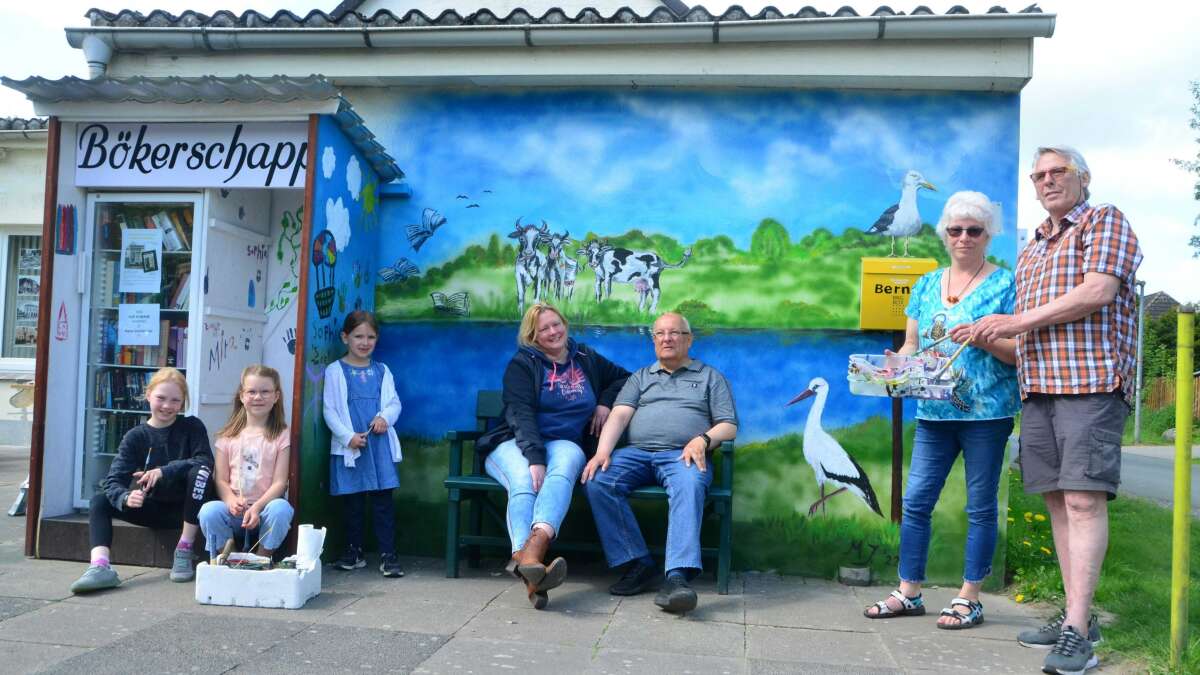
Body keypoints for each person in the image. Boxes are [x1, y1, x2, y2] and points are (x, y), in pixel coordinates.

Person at [962, 146, 1141, 675]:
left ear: (1083, 178)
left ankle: (1079, 635)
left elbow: (1098, 291)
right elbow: (1028, 331)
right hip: (1038, 388)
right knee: (1060, 504)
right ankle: (1076, 619)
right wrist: (986, 333)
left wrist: (1015, 321)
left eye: (1057, 172)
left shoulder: (1104, 220)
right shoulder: (1032, 248)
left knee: (1085, 502)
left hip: (1090, 385)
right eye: (1038, 175)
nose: (1046, 181)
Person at [862, 191, 1019, 629]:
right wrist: (896, 363)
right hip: (934, 413)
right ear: (944, 235)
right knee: (915, 502)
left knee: (980, 507)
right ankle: (908, 591)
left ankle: (970, 596)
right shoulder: (927, 283)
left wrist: (988, 339)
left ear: (989, 235)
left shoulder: (1007, 284)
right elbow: (912, 344)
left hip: (987, 413)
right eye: (955, 230)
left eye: (974, 230)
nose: (964, 237)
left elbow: (1020, 353)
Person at [581, 312, 737, 614]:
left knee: (689, 485)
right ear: (654, 340)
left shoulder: (709, 377)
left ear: (688, 340)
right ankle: (637, 562)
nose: (667, 338)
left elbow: (728, 425)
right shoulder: (640, 377)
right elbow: (620, 415)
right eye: (660, 334)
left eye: (675, 333)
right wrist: (602, 452)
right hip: (637, 453)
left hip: (683, 454)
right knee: (597, 479)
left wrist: (702, 440)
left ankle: (677, 577)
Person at [477, 302, 630, 609]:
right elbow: (520, 414)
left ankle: (529, 557)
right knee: (525, 481)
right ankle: (533, 563)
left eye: (556, 324)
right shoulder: (522, 364)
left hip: (563, 442)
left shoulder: (584, 356)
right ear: (533, 335)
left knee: (567, 465)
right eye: (543, 328)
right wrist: (535, 458)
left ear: (565, 324)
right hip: (515, 442)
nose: (552, 332)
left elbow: (622, 378)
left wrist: (604, 402)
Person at [70, 367, 214, 593]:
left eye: (175, 400)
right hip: (155, 509)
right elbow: (112, 480)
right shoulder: (136, 436)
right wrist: (126, 497)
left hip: (189, 512)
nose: (167, 406)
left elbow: (205, 461)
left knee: (200, 473)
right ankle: (100, 566)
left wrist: (164, 470)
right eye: (161, 398)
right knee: (99, 501)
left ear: (183, 402)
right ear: (148, 395)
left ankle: (184, 549)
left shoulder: (192, 426)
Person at [323, 310, 405, 577]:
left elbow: (394, 403)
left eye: (370, 337)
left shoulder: (382, 371)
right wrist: (348, 437)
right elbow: (330, 410)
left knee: (383, 502)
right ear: (345, 337)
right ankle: (353, 551)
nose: (364, 342)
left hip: (378, 446)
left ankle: (387, 555)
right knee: (353, 503)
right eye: (358, 336)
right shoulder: (335, 371)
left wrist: (384, 417)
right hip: (352, 448)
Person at [198, 365, 294, 561]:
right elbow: (221, 480)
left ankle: (261, 559)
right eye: (252, 391)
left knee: (281, 509)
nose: (258, 397)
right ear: (242, 396)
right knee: (209, 511)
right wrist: (230, 500)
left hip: (264, 511)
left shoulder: (282, 435)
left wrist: (257, 507)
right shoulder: (227, 437)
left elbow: (280, 482)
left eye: (265, 392)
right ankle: (227, 557)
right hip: (235, 513)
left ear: (276, 397)